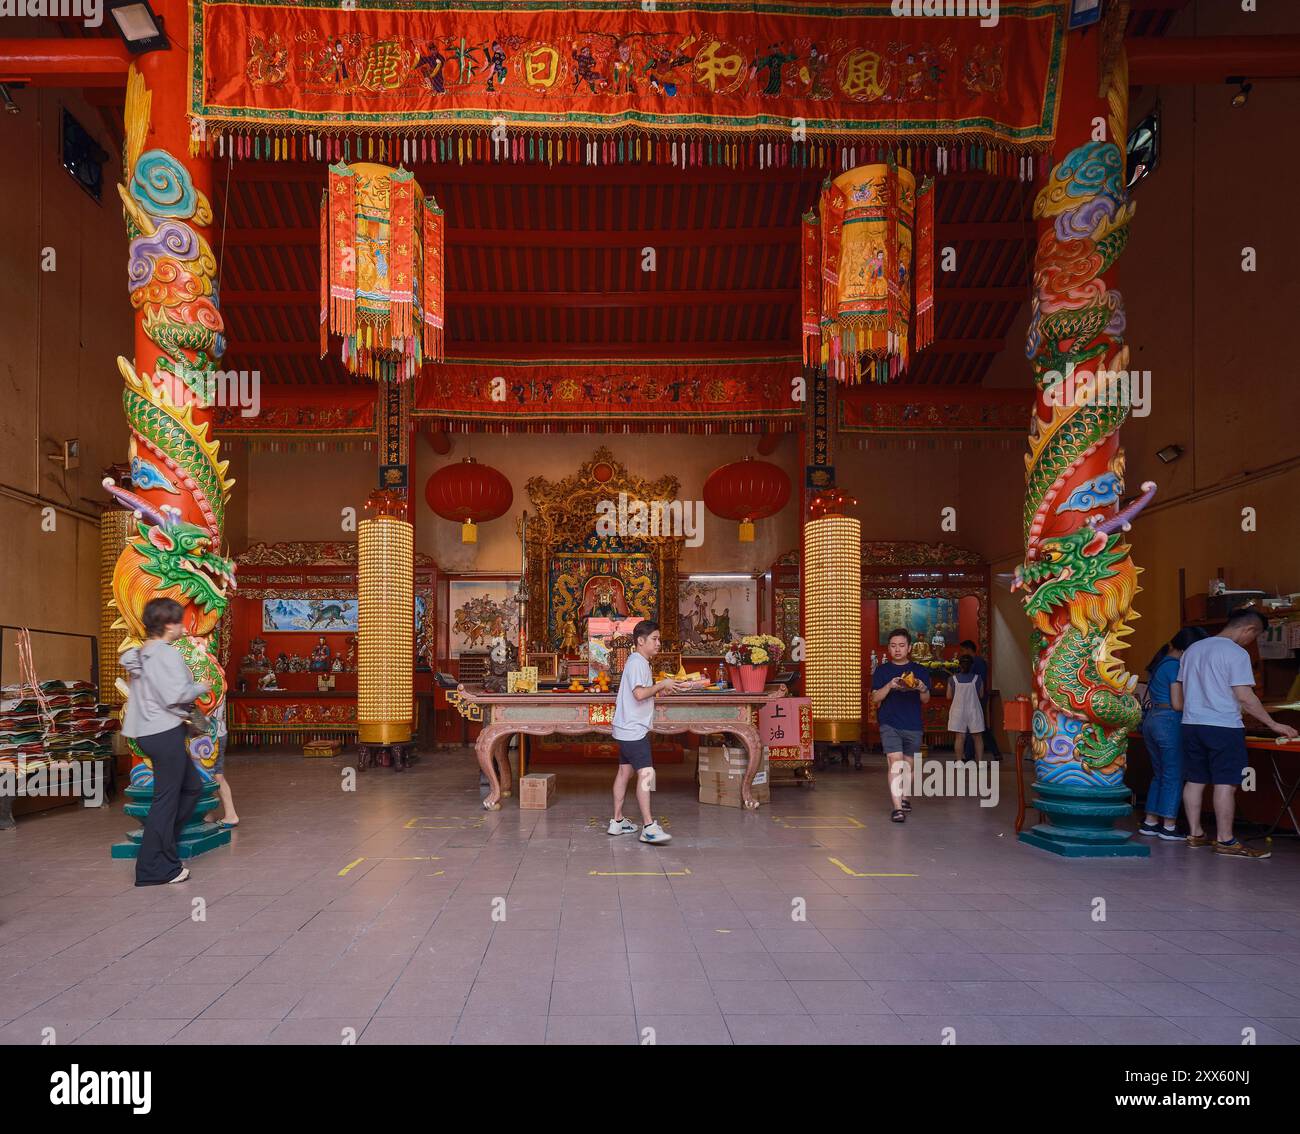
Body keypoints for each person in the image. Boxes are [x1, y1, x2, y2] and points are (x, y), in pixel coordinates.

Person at [1178, 608, 1297, 859]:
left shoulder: (1192, 650)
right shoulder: (1235, 653)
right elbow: (1245, 696)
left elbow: (1181, 690)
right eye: (1253, 637)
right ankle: (1225, 840)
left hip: (1191, 724)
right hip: (1223, 726)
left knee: (1195, 780)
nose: (1250, 642)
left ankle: (1195, 834)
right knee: (1226, 783)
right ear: (1249, 630)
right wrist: (1273, 724)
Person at [120, 597, 210, 886]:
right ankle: (154, 867)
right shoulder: (165, 654)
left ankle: (163, 849)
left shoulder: (143, 653)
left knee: (192, 788)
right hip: (164, 732)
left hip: (149, 732)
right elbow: (176, 695)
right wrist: (202, 685)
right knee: (166, 801)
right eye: (180, 620)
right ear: (169, 624)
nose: (183, 626)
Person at [609, 620, 691, 844]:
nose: (658, 643)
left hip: (626, 728)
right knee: (646, 774)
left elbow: (643, 693)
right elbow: (638, 694)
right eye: (654, 639)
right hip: (634, 730)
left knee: (625, 772)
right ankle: (648, 826)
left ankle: (617, 822)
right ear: (640, 641)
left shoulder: (639, 662)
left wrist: (661, 689)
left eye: (658, 639)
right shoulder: (638, 662)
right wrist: (661, 684)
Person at [1138, 626, 1207, 839]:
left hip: (1152, 721)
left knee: (1160, 774)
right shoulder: (1176, 666)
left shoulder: (1160, 664)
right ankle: (1169, 825)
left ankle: (1150, 822)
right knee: (1174, 774)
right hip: (1169, 722)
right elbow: (1177, 704)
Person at [871, 628, 932, 823]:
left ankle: (904, 796)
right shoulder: (882, 671)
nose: (897, 649)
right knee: (895, 762)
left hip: (913, 724)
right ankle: (897, 808)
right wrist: (889, 686)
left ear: (909, 647)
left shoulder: (920, 670)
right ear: (888, 648)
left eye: (902, 645)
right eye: (893, 646)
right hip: (889, 723)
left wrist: (922, 688)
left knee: (908, 766)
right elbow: (875, 698)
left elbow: (925, 700)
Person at [958, 640, 1000, 759]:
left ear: (968, 649)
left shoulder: (978, 662)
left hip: (978, 698)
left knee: (973, 726)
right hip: (971, 697)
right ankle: (996, 752)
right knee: (980, 726)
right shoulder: (971, 662)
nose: (961, 653)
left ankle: (969, 755)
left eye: (962, 650)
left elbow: (979, 680)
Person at [946, 655, 985, 762]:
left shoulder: (952, 679)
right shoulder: (978, 678)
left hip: (958, 711)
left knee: (960, 737)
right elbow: (981, 695)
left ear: (959, 665)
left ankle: (959, 762)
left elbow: (948, 696)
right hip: (974, 710)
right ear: (972, 665)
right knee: (977, 737)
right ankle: (980, 762)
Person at [212, 700, 239, 830]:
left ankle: (231, 815)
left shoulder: (210, 680)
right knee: (213, 776)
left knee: (216, 776)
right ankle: (207, 815)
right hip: (216, 732)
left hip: (211, 735)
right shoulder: (219, 680)